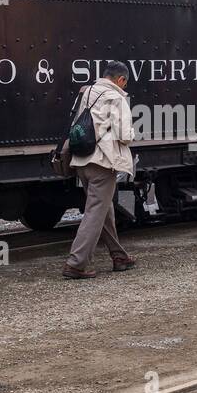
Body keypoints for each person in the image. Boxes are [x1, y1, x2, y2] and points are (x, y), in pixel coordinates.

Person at [62, 61, 137, 278]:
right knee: (95, 213)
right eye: (124, 83)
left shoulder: (87, 92)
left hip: (82, 160)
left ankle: (119, 256)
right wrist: (133, 133)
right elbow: (123, 135)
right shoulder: (117, 97)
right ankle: (76, 264)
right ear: (121, 80)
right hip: (103, 163)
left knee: (104, 211)